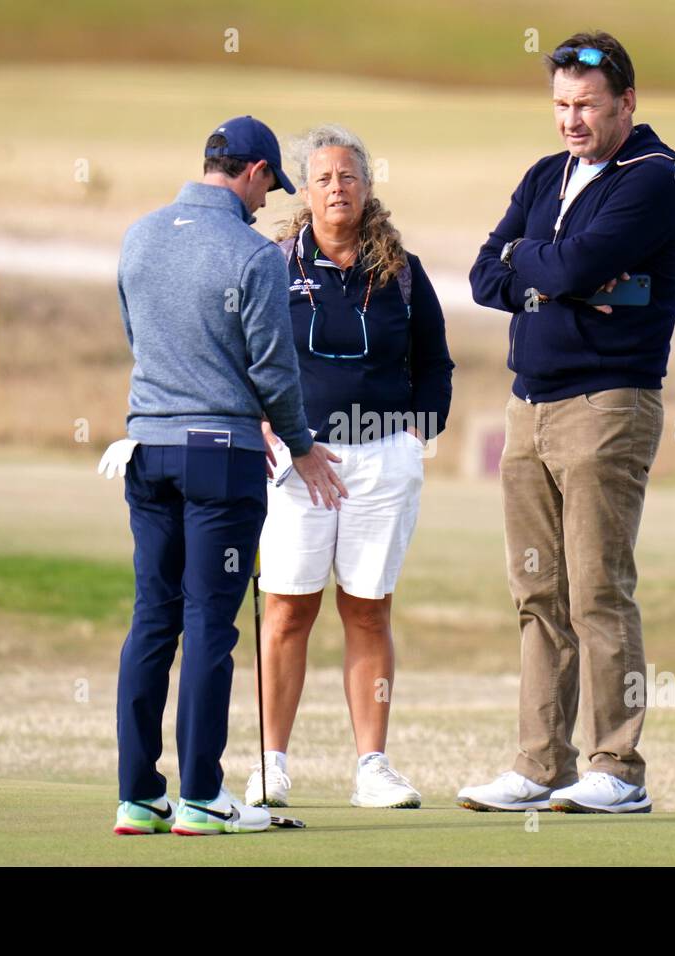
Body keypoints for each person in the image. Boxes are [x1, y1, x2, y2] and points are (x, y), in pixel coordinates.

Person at [460, 31, 675, 814]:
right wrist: (547, 268)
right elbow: (485, 273)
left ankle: (617, 769)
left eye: (586, 104)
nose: (571, 119)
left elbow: (562, 268)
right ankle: (539, 763)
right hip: (528, 405)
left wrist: (547, 268)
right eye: (560, 104)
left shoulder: (652, 178)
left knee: (598, 590)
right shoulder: (544, 174)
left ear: (627, 101)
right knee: (537, 591)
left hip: (607, 404)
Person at [107, 115, 348, 836]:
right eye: (266, 186)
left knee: (154, 618)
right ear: (249, 173)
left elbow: (136, 334)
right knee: (211, 621)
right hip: (222, 457)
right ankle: (203, 795)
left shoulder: (139, 235)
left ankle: (138, 795)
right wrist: (301, 442)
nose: (265, 202)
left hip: (148, 450)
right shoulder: (255, 256)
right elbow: (273, 369)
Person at [243, 124, 454, 810]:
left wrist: (416, 436)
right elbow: (245, 358)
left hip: (382, 459)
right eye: (324, 178)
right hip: (298, 463)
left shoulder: (402, 271)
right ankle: (270, 764)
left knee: (368, 611)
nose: (338, 188)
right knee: (287, 610)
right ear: (305, 190)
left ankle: (373, 767)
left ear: (367, 189)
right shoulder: (272, 264)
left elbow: (435, 365)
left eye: (350, 177)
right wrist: (268, 428)